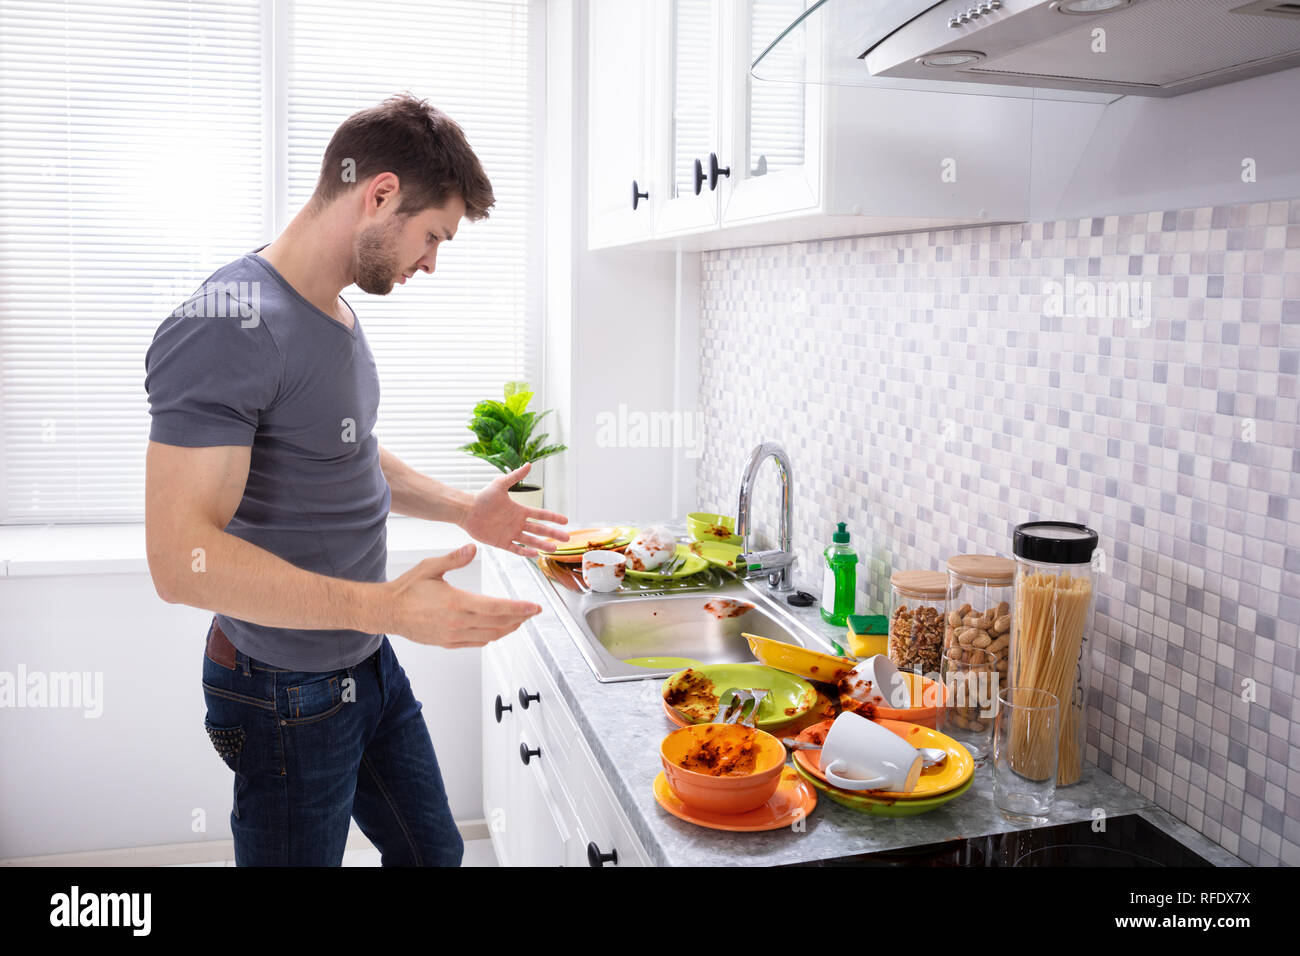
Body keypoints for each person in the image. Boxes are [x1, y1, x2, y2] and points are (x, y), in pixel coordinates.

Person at [143, 93, 569, 866]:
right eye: (432, 236)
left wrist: (461, 510)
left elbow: (348, 452)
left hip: (365, 666)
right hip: (285, 692)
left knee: (434, 854)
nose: (432, 262)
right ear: (379, 195)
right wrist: (389, 607)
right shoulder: (227, 321)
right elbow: (179, 562)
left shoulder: (333, 309)